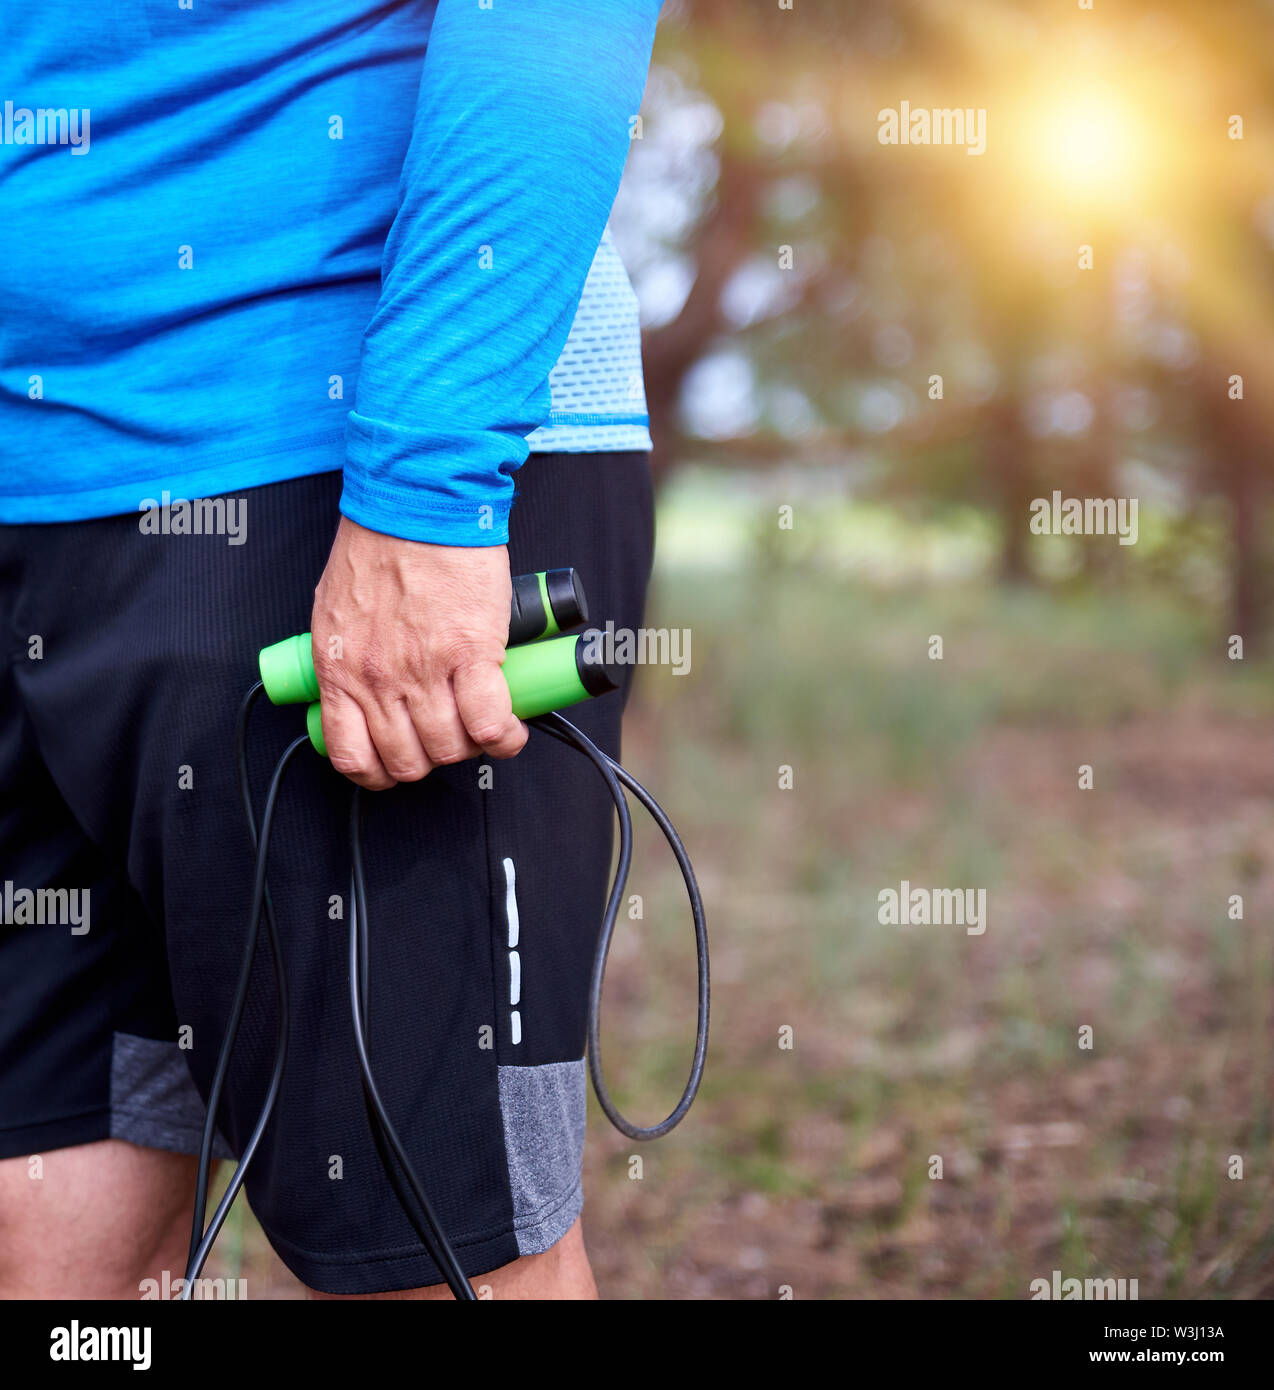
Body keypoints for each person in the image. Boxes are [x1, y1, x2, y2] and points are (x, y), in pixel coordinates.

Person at [0, 0, 663, 1299]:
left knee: (427, 1259)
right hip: (37, 492)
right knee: (43, 1238)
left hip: (346, 452)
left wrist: (425, 487)